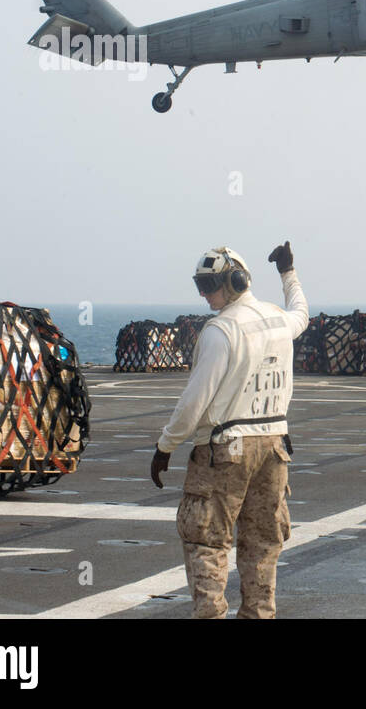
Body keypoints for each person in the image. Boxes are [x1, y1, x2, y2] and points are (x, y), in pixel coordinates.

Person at [150, 242, 309, 618]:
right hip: (273, 449)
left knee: (206, 541)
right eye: (200, 286)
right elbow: (301, 314)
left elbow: (193, 403)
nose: (205, 295)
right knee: (262, 546)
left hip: (224, 451)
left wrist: (165, 445)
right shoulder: (276, 319)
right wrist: (289, 274)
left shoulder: (220, 331)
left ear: (234, 281)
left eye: (210, 286)